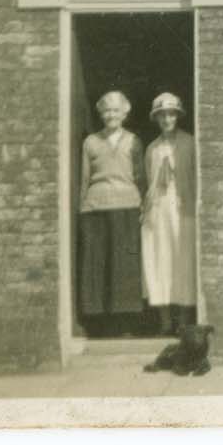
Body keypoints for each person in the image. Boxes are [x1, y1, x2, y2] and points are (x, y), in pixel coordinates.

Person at [78, 90, 145, 327]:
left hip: (127, 206)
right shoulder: (91, 142)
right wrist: (82, 206)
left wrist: (143, 204)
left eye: (116, 110)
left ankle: (126, 320)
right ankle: (100, 321)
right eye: (106, 110)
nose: (111, 115)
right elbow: (84, 178)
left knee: (124, 265)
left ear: (124, 113)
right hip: (96, 208)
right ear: (100, 113)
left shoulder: (134, 141)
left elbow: (141, 176)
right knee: (99, 264)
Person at [142, 92, 198, 333]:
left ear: (178, 116)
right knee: (159, 263)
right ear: (156, 118)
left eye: (171, 114)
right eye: (162, 115)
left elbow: (195, 177)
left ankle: (184, 321)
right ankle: (165, 321)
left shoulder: (189, 143)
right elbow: (148, 181)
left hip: (183, 210)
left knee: (183, 262)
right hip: (158, 212)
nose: (167, 119)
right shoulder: (152, 149)